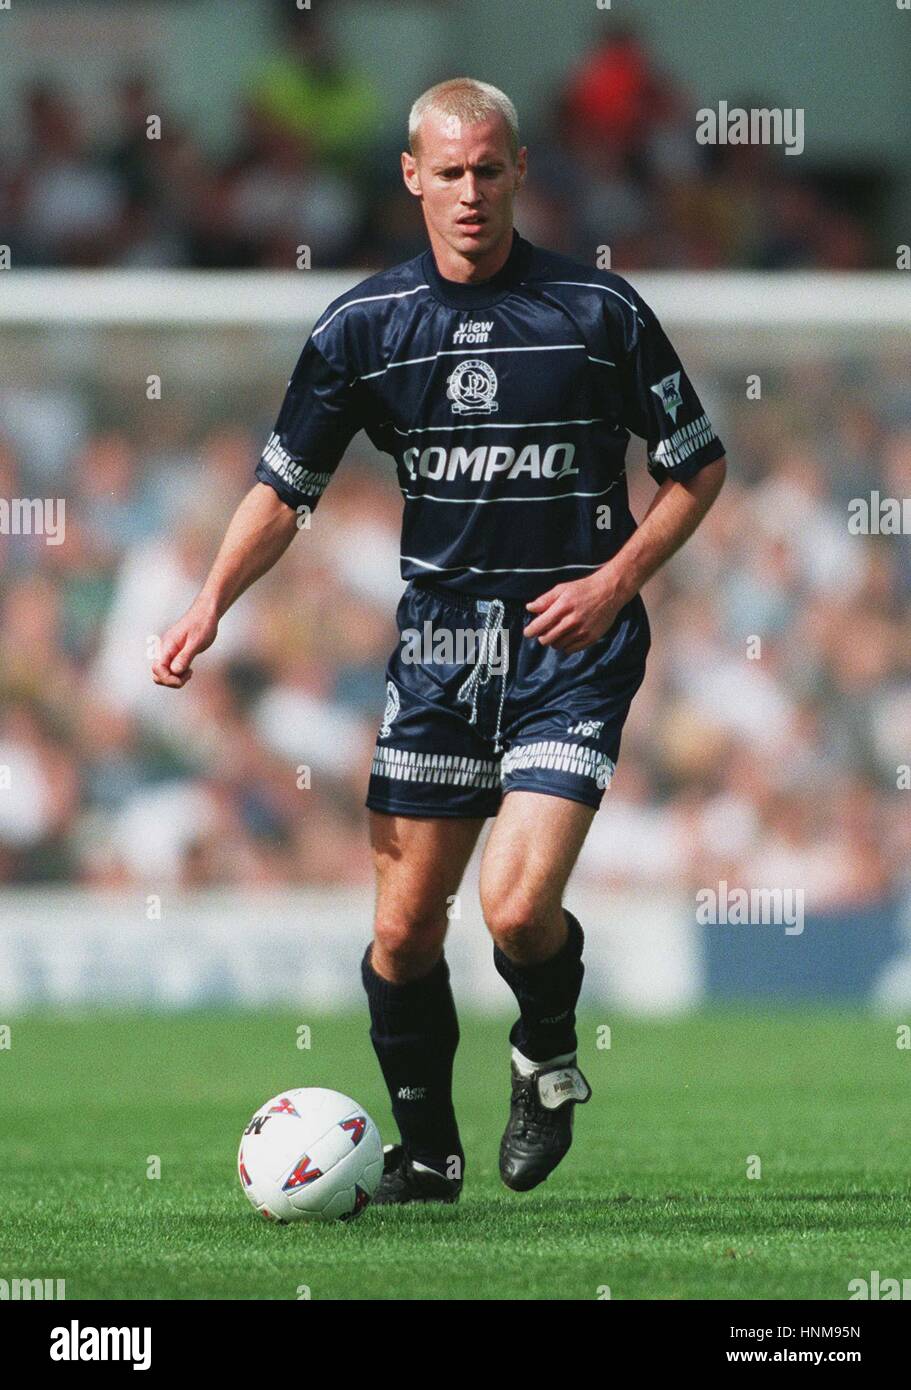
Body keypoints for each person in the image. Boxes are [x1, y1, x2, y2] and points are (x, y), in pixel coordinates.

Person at [152, 78, 727, 1203]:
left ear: (520, 171)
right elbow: (284, 488)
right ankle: (427, 1155)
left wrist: (613, 582)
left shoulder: (596, 310)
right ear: (410, 175)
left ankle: (545, 1059)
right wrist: (209, 599)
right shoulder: (364, 327)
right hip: (436, 657)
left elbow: (695, 468)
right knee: (406, 933)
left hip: (572, 647)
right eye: (448, 172)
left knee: (514, 908)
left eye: (490, 170)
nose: (470, 193)